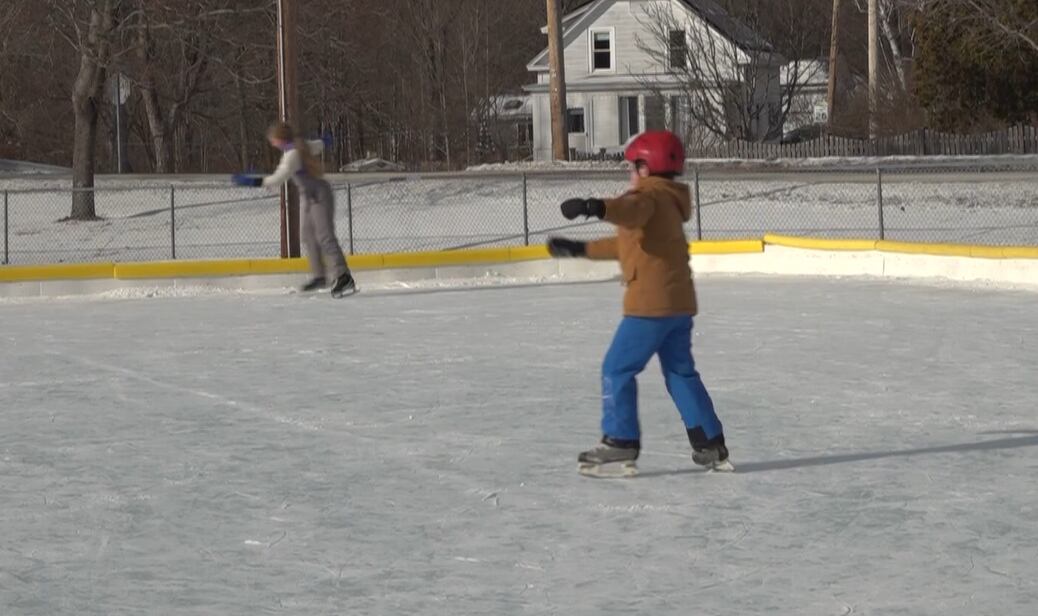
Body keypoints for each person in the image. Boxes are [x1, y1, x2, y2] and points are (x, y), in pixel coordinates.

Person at [546, 130, 732, 477]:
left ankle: (620, 441)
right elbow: (626, 244)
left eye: (633, 166)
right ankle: (709, 441)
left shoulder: (648, 198)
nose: (630, 173)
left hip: (650, 306)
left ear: (647, 167)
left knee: (616, 368)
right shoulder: (669, 203)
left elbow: (628, 211)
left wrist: (595, 207)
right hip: (678, 306)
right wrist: (578, 249)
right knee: (680, 373)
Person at [233, 122, 355, 297]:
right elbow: (319, 145)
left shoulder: (292, 155)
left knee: (324, 236)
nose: (272, 144)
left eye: (273, 140)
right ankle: (320, 275)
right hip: (309, 196)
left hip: (319, 195)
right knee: (307, 235)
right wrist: (326, 141)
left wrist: (253, 182)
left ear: (280, 139)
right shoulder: (301, 146)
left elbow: (278, 179)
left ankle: (344, 276)